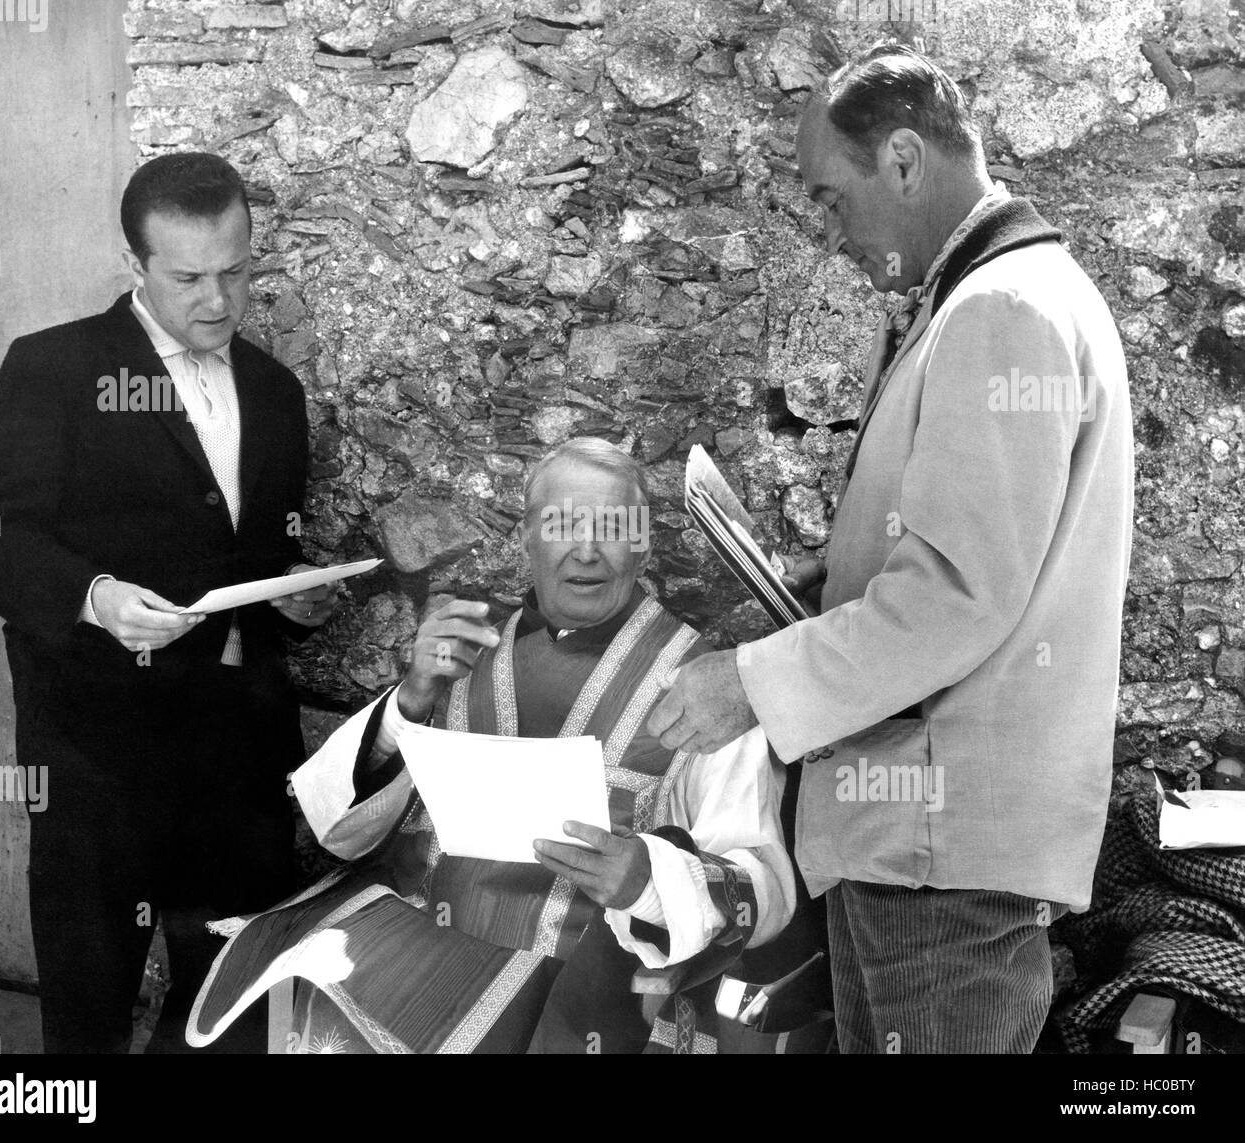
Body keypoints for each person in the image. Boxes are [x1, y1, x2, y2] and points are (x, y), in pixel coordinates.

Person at [648, 44, 1134, 1052]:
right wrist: (829, 583)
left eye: (833, 199)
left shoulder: (999, 312)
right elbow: (986, 563)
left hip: (934, 863)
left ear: (903, 162)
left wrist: (753, 681)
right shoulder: (1000, 299)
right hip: (924, 850)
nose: (831, 233)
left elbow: (957, 594)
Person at [186, 438, 796, 1054]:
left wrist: (651, 881)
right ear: (526, 539)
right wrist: (411, 700)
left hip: (579, 996)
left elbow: (765, 893)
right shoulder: (464, 650)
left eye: (614, 527)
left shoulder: (703, 687)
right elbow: (339, 832)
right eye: (563, 525)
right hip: (422, 955)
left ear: (643, 545)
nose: (587, 550)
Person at [0, 152, 340, 1053]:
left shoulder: (276, 392)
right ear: (133, 266)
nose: (219, 300)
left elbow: (258, 552)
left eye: (237, 271)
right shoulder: (54, 366)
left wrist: (300, 598)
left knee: (231, 997)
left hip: (237, 748)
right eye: (188, 278)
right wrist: (95, 598)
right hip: (99, 750)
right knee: (89, 1004)